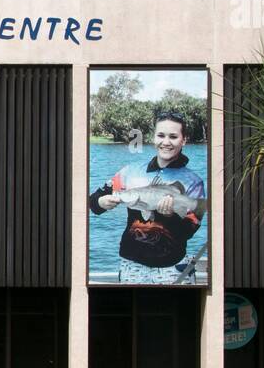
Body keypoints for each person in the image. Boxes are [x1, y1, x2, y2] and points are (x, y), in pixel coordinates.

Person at [88, 111, 206, 284]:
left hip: (172, 267)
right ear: (153, 137)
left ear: (184, 140)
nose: (166, 142)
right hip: (131, 263)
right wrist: (102, 202)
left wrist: (169, 215)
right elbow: (93, 203)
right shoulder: (130, 171)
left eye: (173, 136)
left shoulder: (193, 181)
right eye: (161, 135)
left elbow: (189, 231)